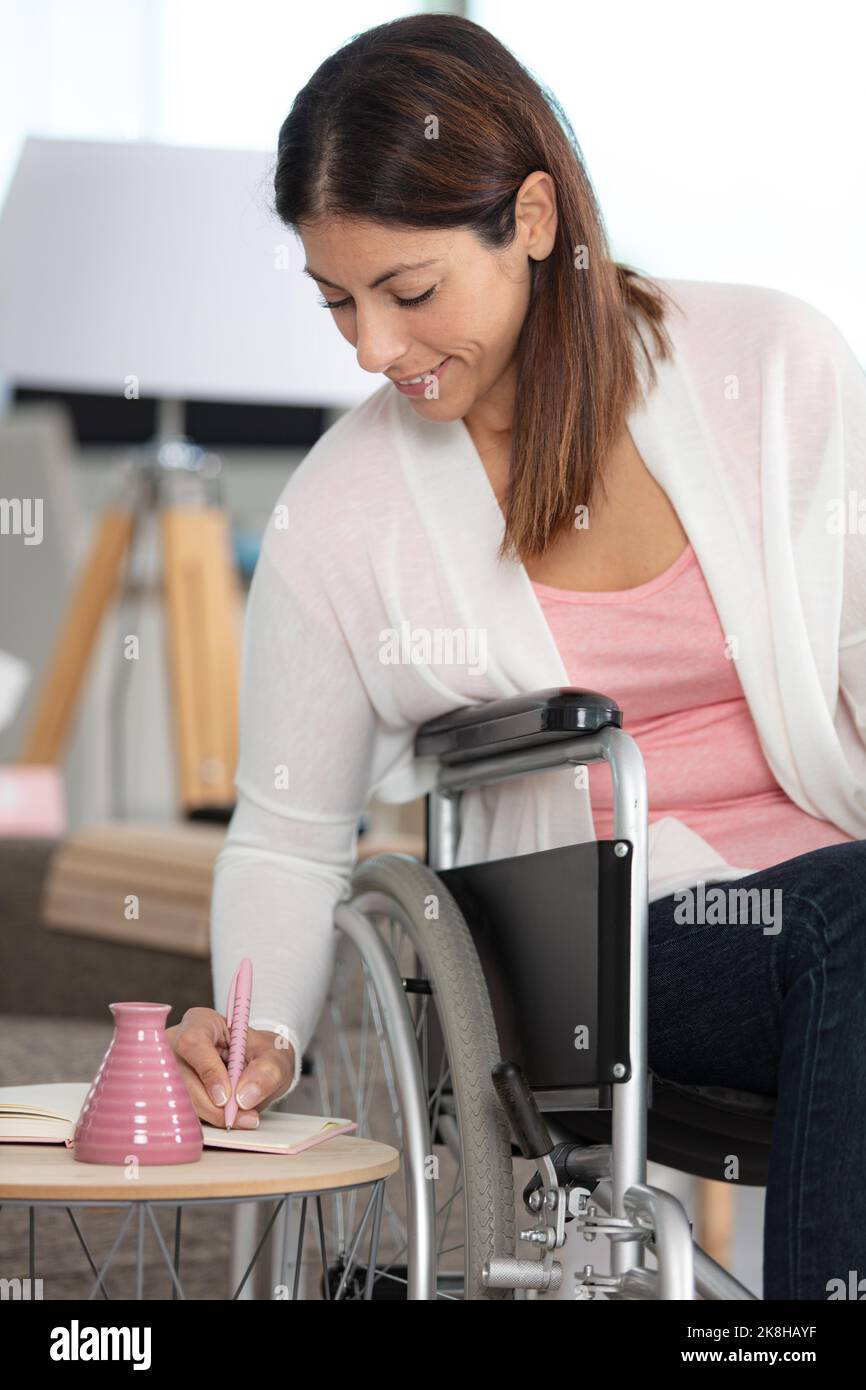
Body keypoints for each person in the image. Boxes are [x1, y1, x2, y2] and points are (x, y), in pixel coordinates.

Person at [168, 14, 866, 1298]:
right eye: (338, 303)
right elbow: (285, 833)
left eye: (408, 292)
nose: (373, 350)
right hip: (603, 954)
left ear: (534, 219)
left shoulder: (772, 366)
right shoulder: (342, 512)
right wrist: (259, 1031)